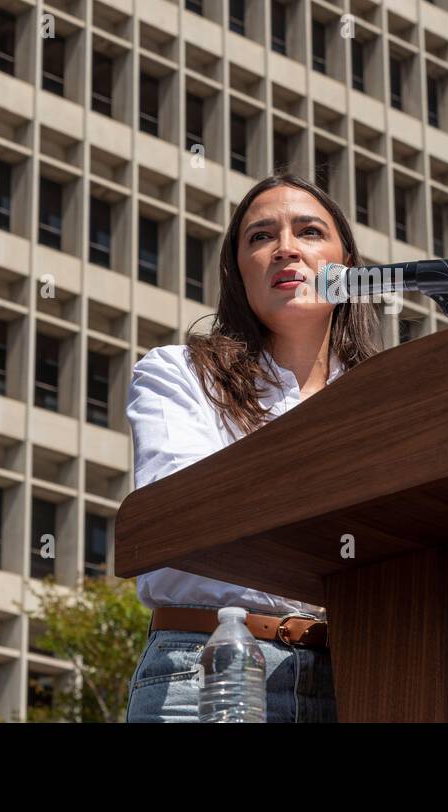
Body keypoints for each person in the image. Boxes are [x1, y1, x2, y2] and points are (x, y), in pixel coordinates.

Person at [124, 171, 383, 722]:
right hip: (209, 668)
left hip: (365, 677)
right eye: (261, 237)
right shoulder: (181, 374)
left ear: (348, 269)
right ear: (238, 273)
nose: (286, 248)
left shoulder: (385, 398)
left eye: (309, 232)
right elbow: (182, 517)